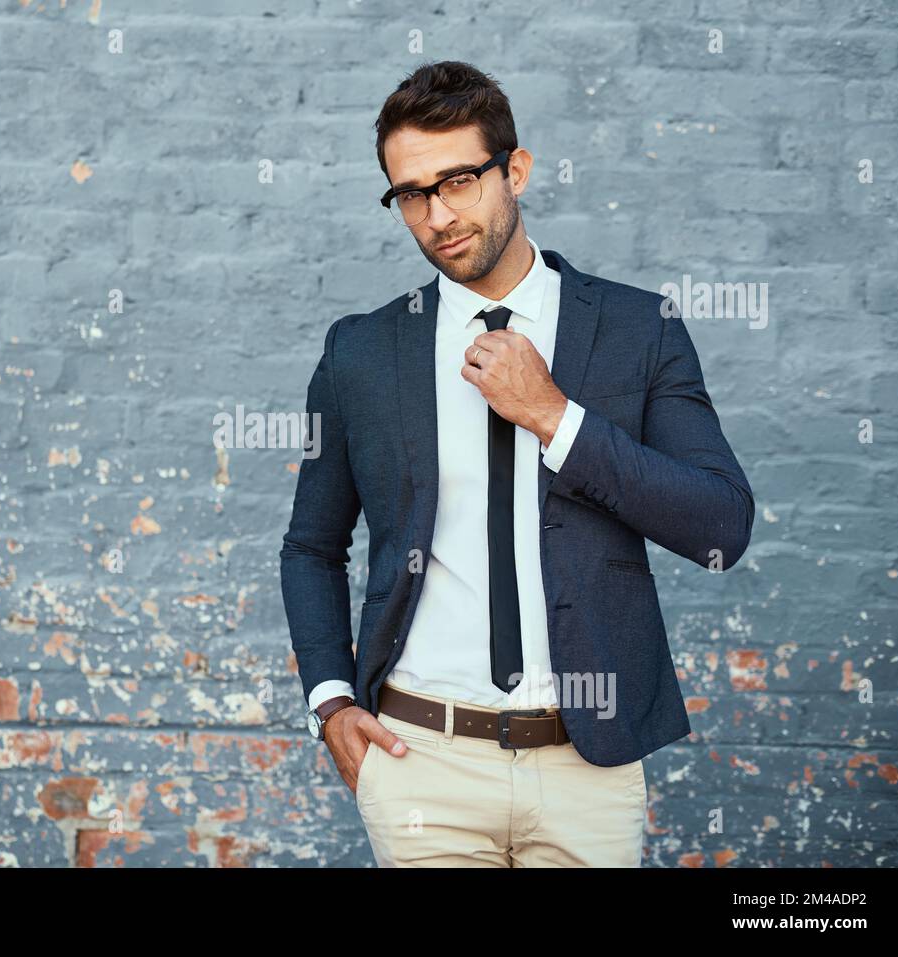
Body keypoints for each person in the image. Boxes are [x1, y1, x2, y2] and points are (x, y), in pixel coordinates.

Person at [279, 61, 754, 867]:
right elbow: (311, 547)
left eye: (459, 180)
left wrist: (553, 416)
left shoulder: (642, 330)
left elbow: (720, 522)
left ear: (517, 170)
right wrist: (329, 701)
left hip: (587, 766)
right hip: (420, 759)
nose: (438, 214)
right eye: (411, 193)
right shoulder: (360, 351)